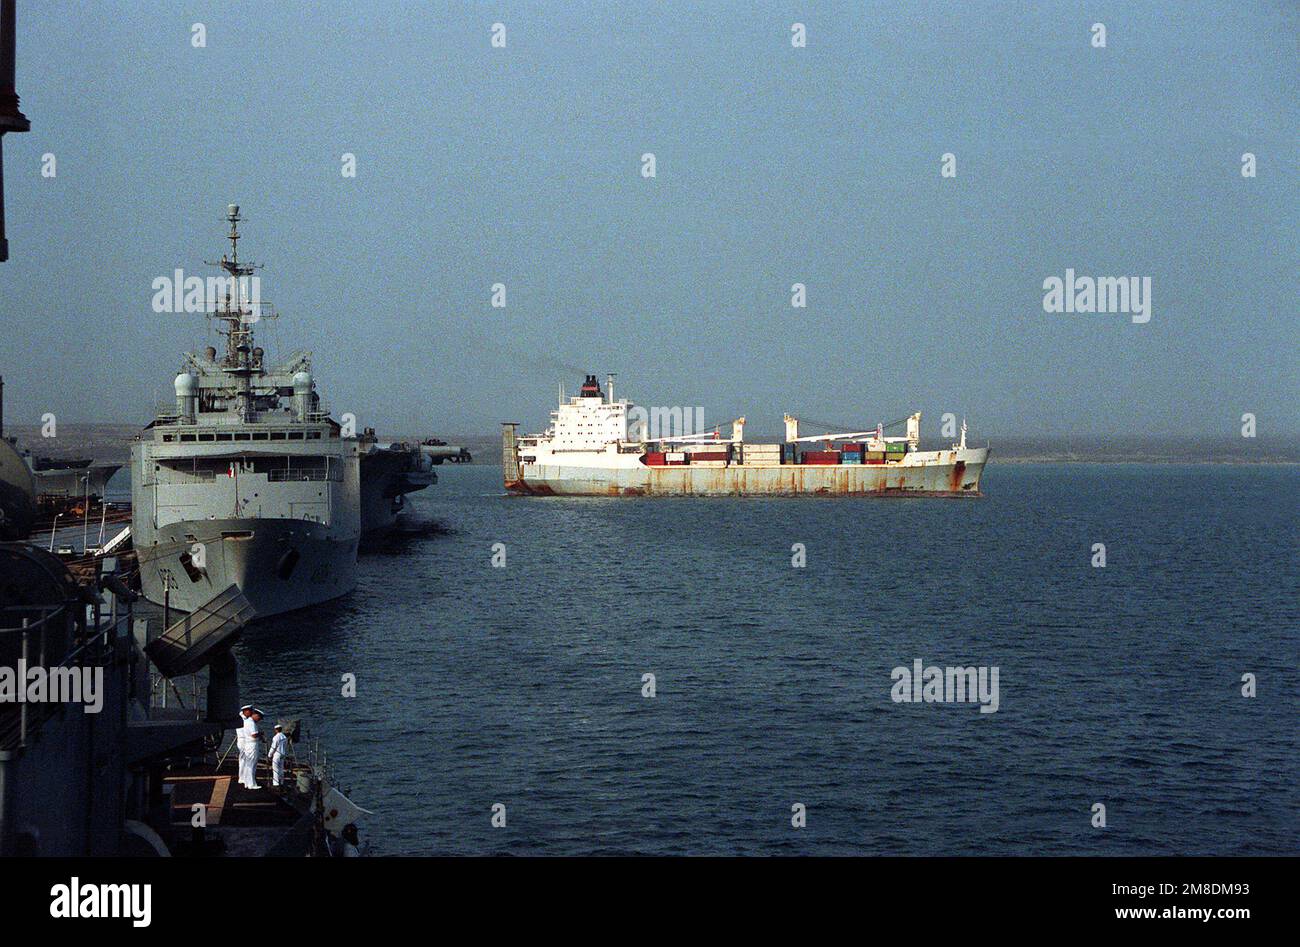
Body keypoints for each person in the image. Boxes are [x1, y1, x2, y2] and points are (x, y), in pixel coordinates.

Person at [241, 707, 262, 789]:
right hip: (252, 745)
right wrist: (260, 734)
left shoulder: (246, 721)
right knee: (252, 764)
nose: (259, 720)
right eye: (259, 718)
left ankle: (247, 782)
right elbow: (254, 735)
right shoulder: (252, 723)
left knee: (248, 764)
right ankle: (251, 784)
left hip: (247, 744)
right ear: (256, 715)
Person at [268, 723, 289, 788]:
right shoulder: (284, 737)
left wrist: (269, 755)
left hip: (277, 754)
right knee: (281, 769)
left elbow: (273, 747)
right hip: (283, 754)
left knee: (275, 769)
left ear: (276, 730)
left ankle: (276, 783)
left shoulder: (276, 737)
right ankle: (281, 782)